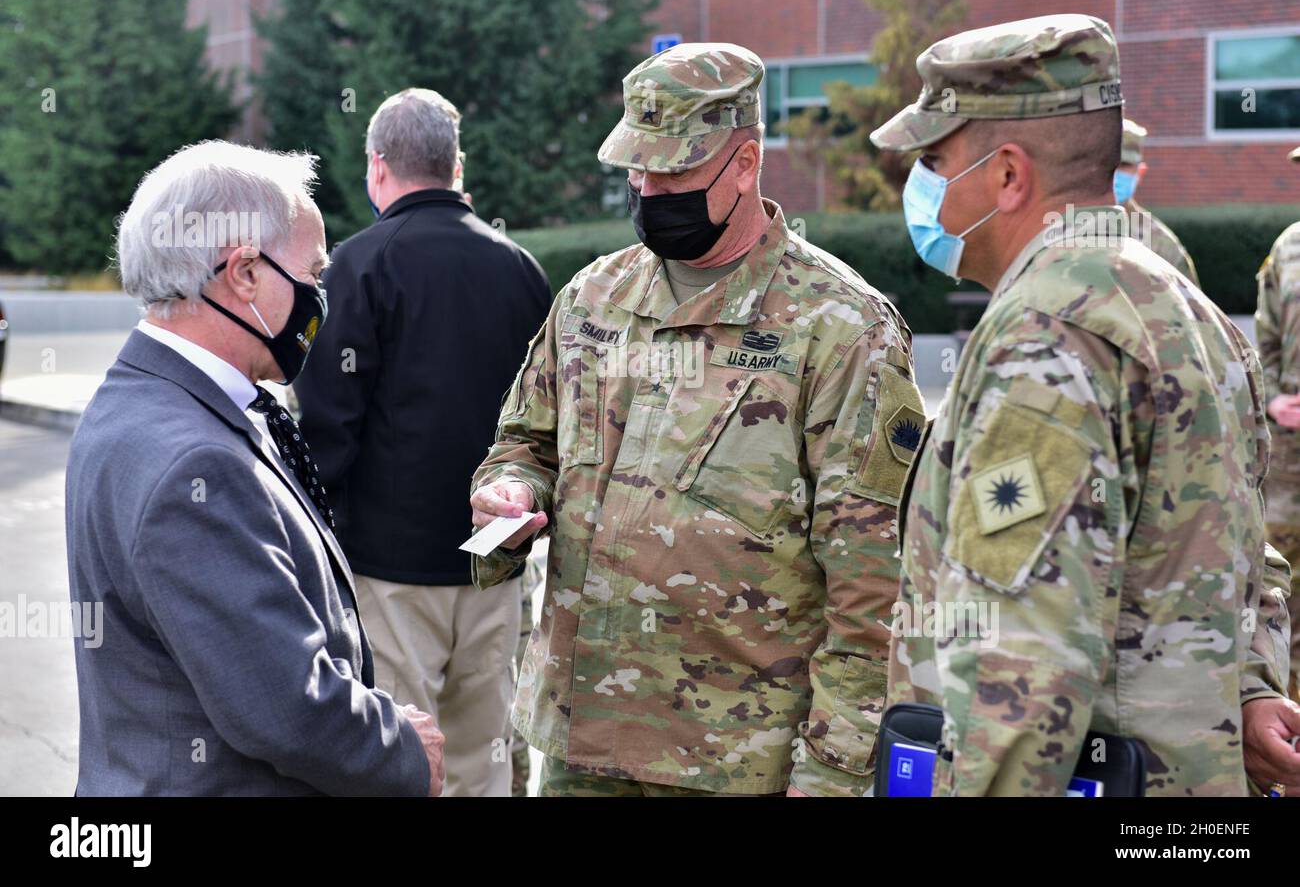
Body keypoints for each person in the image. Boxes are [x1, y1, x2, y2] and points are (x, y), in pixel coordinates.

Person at [469, 42, 924, 797]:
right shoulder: (591, 299)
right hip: (584, 745)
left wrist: (833, 773)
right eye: (636, 169)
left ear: (745, 162)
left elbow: (872, 591)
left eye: (673, 171)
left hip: (739, 762)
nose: (648, 189)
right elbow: (524, 443)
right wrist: (509, 493)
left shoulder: (842, 329)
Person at [874, 14, 1298, 796]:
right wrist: (1251, 685)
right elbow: (1241, 555)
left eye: (934, 160)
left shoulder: (1044, 334)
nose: (919, 184)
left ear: (1007, 175)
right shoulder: (1180, 305)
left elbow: (1020, 663)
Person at [66, 140, 442, 795]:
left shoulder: (141, 397)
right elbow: (285, 708)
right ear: (244, 273)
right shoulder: (193, 461)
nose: (317, 296)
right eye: (311, 273)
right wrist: (402, 750)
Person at [295, 89, 550, 796]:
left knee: (401, 764)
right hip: (494, 559)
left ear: (378, 168)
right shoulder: (521, 268)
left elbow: (327, 427)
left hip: (391, 570)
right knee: (482, 760)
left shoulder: (357, 265)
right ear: (457, 166)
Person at [1253, 143, 1300, 704]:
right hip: (1287, 461)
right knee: (1280, 596)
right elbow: (1262, 339)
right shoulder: (1287, 249)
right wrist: (1270, 402)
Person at [1114, 117, 1200, 286]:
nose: (1114, 173)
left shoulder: (1161, 243)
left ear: (1140, 171)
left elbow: (1190, 308)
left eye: (1124, 165)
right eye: (1108, 164)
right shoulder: (1063, 226)